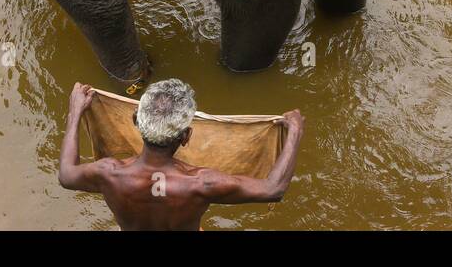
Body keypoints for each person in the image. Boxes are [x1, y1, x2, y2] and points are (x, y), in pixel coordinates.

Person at [58, 78, 304, 231]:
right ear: (186, 137)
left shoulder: (108, 172)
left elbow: (67, 175)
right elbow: (274, 189)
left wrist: (75, 113)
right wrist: (294, 130)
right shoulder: (201, 183)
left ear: (135, 121)